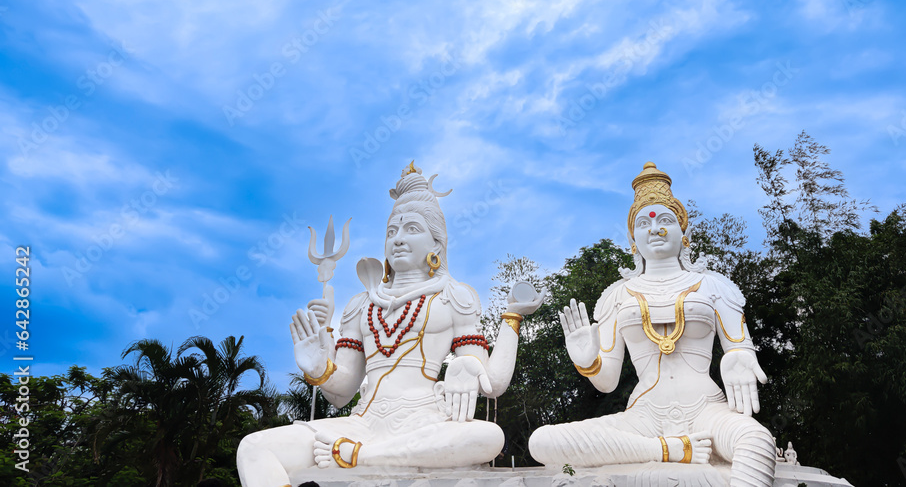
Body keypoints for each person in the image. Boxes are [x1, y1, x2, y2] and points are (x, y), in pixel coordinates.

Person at [236, 164, 543, 487]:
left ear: (436, 245)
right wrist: (319, 369)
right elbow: (341, 395)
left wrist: (509, 320)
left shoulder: (455, 297)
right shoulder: (361, 304)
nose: (398, 239)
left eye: (411, 229)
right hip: (361, 423)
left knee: (488, 436)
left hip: (426, 423)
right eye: (391, 231)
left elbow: (492, 382)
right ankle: (359, 450)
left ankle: (363, 456)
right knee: (253, 449)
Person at [528, 162, 775, 487]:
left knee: (756, 442)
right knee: (542, 441)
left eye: (666, 221)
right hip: (643, 418)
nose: (655, 229)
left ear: (682, 233)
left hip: (707, 411)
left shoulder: (715, 287)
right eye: (643, 222)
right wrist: (587, 360)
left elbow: (739, 346)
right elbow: (607, 383)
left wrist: (738, 357)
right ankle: (667, 450)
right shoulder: (616, 296)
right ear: (633, 239)